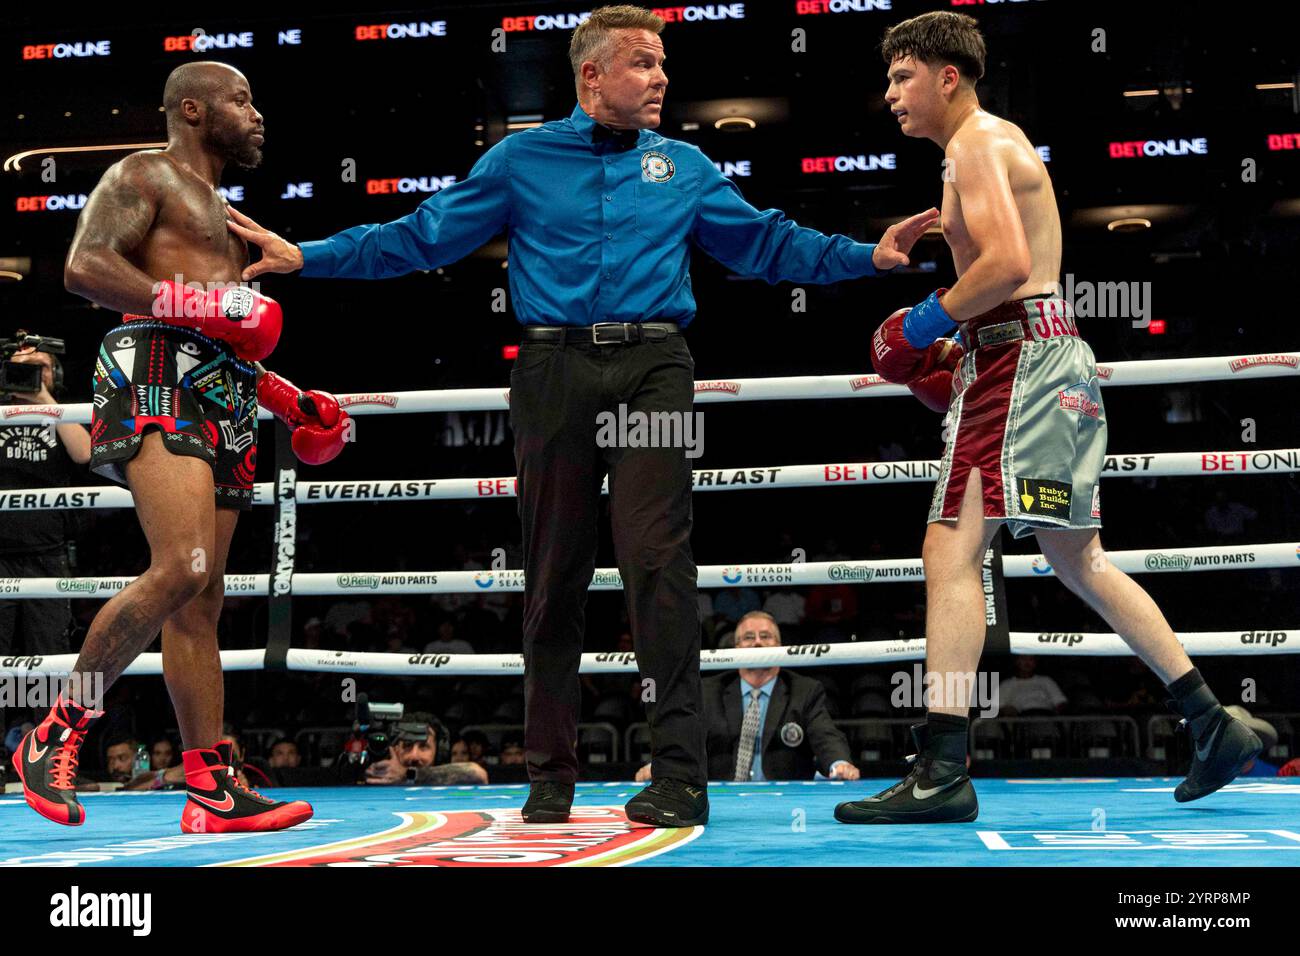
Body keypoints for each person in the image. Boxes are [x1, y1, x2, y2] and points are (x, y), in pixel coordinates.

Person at [229, 5, 935, 829]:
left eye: (664, 63)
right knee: (554, 568)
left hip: (655, 368)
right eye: (643, 63)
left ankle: (679, 777)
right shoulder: (521, 158)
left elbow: (765, 243)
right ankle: (550, 774)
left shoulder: (685, 164)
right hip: (553, 368)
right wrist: (310, 255)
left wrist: (865, 255)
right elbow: (423, 235)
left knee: (658, 560)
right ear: (591, 74)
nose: (662, 77)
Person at [837, 12, 1260, 825]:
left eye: (901, 76)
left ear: (947, 76)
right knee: (1079, 558)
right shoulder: (991, 143)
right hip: (1044, 353)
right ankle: (1211, 721)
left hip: (1017, 356)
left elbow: (1007, 266)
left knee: (949, 547)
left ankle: (942, 767)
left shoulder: (973, 142)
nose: (890, 93)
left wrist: (922, 324)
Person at [12, 60, 349, 833]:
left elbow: (230, 338)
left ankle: (211, 787)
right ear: (192, 110)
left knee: (203, 601)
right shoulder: (145, 174)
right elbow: (84, 269)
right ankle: (56, 730)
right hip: (152, 367)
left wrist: (287, 398)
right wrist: (200, 299)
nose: (256, 113)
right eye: (240, 99)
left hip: (222, 389)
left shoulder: (227, 215)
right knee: (181, 567)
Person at [635, 611, 858, 782]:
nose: (757, 642)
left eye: (766, 636)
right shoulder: (708, 691)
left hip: (786, 802)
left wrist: (839, 764)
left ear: (780, 646)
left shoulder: (804, 690)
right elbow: (683, 738)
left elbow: (825, 735)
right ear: (736, 648)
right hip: (721, 802)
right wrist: (661, 766)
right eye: (748, 637)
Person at [0, 337, 90, 659]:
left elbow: (84, 452)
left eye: (41, 367)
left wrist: (43, 400)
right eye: (20, 368)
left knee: (49, 654)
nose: (31, 374)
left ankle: (46, 713)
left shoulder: (63, 413)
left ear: (56, 375)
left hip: (48, 554)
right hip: (0, 553)